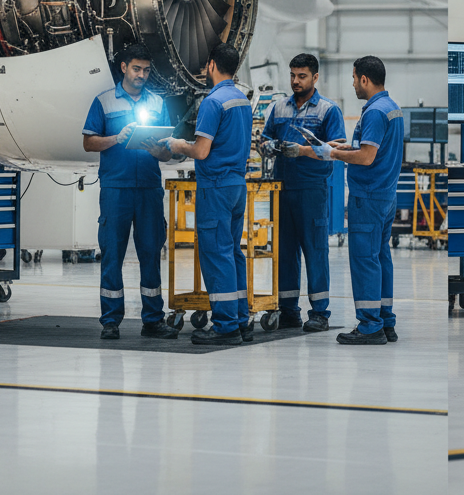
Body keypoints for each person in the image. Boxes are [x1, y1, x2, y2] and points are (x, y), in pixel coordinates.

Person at [82, 43, 179, 341]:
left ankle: (153, 319)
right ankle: (110, 320)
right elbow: (88, 142)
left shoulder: (157, 103)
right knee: (113, 254)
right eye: (136, 69)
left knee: (151, 252)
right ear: (124, 67)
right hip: (116, 189)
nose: (141, 75)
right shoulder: (104, 102)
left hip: (149, 188)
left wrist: (158, 149)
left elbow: (166, 155)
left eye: (146, 70)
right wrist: (116, 138)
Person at [162, 42, 253, 346]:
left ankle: (226, 326)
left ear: (212, 64)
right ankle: (241, 318)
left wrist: (177, 145)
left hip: (215, 186)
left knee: (217, 254)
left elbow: (201, 151)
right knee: (233, 252)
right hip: (237, 186)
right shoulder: (241, 100)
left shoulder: (213, 102)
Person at [259, 53, 346, 333]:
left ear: (315, 77)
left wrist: (303, 151)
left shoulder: (328, 111)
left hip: (312, 190)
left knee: (315, 250)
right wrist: (266, 146)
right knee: (284, 252)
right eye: (293, 75)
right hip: (282, 188)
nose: (296, 81)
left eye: (302, 76)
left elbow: (337, 149)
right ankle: (288, 311)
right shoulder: (279, 107)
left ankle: (319, 312)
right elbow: (265, 137)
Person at [329, 56, 404, 345]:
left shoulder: (373, 112)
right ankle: (386, 321)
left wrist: (334, 154)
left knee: (364, 261)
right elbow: (373, 149)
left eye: (354, 78)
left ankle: (370, 325)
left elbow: (367, 157)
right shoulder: (392, 108)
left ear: (364, 79)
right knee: (381, 258)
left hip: (368, 197)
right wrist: (348, 146)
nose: (352, 84)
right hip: (386, 195)